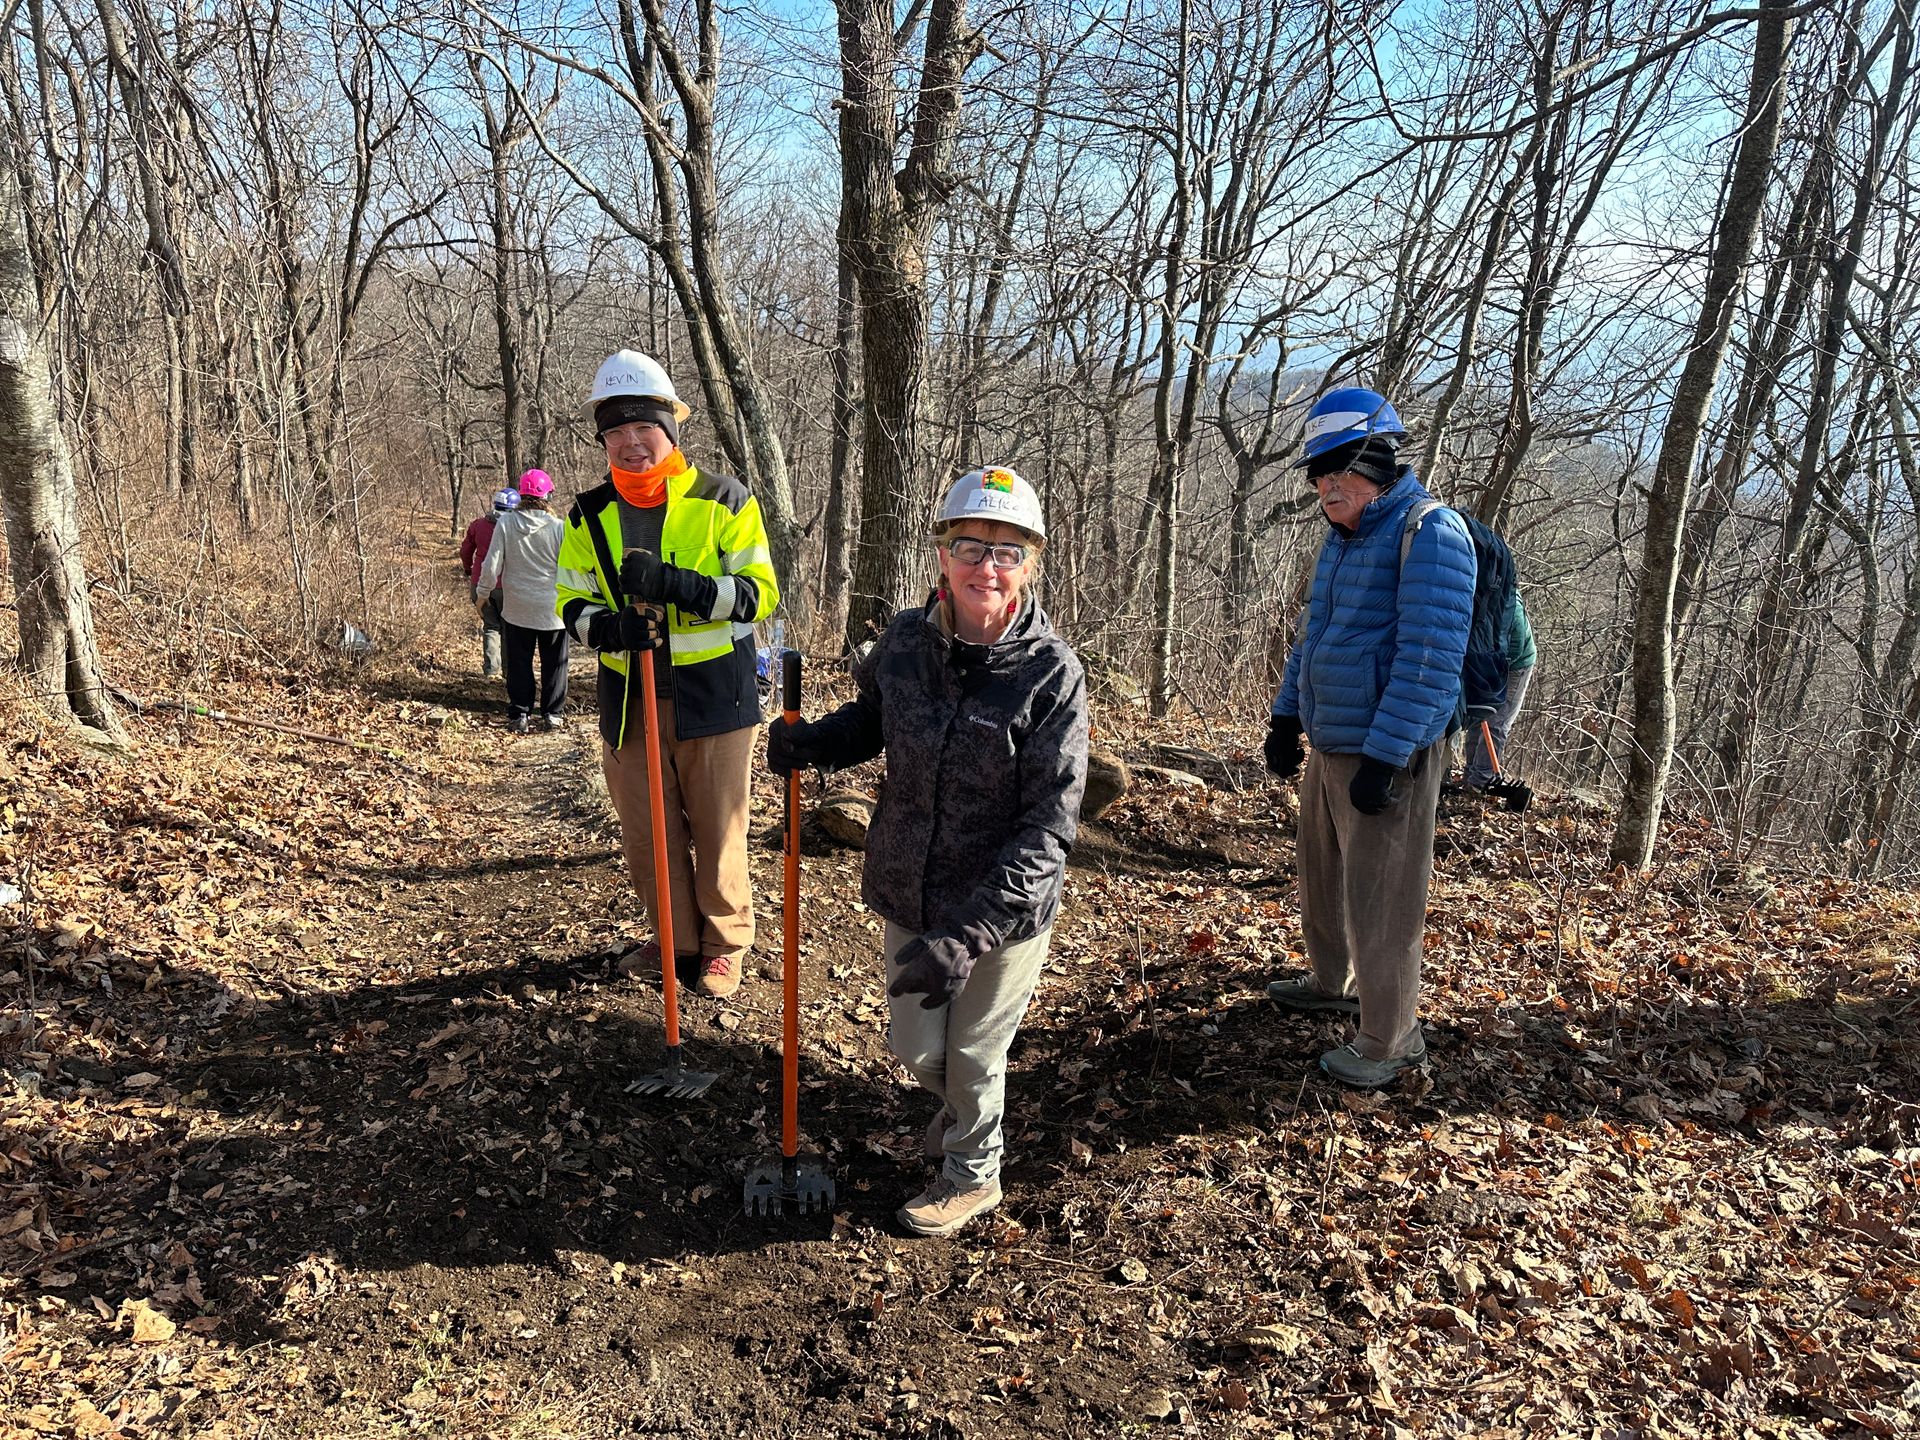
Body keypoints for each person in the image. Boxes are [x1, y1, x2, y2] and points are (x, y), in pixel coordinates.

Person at [767, 467, 1088, 1238]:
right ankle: (963, 1116)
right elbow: (874, 720)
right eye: (972, 547)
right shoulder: (906, 643)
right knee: (916, 1051)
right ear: (943, 554)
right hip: (910, 885)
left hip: (1002, 911)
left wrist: (970, 935)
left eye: (1008, 553)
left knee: (975, 1054)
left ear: (1031, 566)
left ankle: (974, 1175)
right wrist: (814, 744)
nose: (988, 567)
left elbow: (1049, 830)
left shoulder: (1052, 675)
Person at [1262, 387, 1476, 1089]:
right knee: (1326, 880)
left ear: (1380, 463)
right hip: (1331, 739)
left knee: (1384, 901)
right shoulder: (1343, 537)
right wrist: (1286, 716)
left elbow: (1428, 659)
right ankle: (1333, 982)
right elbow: (1314, 636)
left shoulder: (1430, 532)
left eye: (1341, 470)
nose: (1327, 485)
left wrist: (1386, 757)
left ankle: (1391, 1040)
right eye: (1319, 474)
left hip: (1392, 751)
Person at [555, 351, 780, 1000]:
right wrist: (612, 629)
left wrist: (680, 587)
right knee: (649, 835)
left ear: (670, 429)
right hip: (630, 702)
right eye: (615, 430)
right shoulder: (588, 515)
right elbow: (570, 607)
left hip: (716, 698)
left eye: (642, 427)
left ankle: (724, 944)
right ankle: (673, 938)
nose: (630, 442)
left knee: (718, 831)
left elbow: (759, 594)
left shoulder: (724, 499)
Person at [475, 469, 568, 733]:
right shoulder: (559, 528)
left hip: (517, 607)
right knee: (555, 664)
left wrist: (483, 594)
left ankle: (521, 713)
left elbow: (491, 564)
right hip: (553, 609)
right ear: (548, 495)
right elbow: (569, 568)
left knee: (519, 663)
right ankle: (553, 714)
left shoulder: (506, 524)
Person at [1463, 587, 1535, 790]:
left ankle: (1481, 782)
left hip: (1516, 665)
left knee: (1497, 721)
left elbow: (1517, 644)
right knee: (1479, 714)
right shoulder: (1477, 592)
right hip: (1487, 661)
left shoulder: (1510, 603)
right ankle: (1471, 777)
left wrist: (1497, 671)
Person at [461, 489, 518, 679]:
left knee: (491, 626)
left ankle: (492, 670)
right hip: (508, 586)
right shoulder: (516, 527)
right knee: (509, 629)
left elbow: (465, 551)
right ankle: (509, 673)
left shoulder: (478, 525)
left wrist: (468, 569)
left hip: (480, 584)